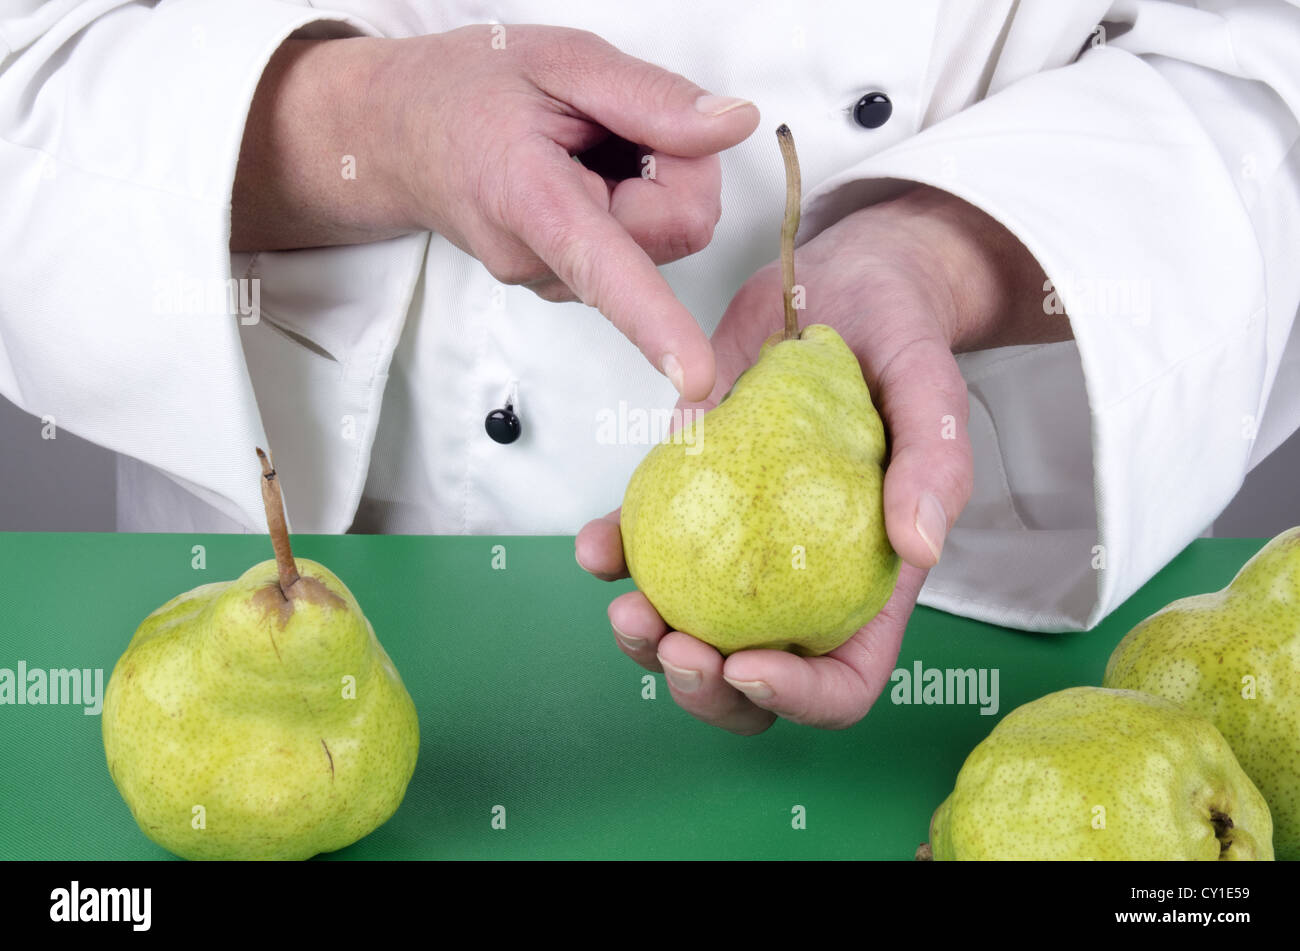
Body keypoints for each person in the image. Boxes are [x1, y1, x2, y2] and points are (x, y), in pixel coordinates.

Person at [3, 2, 1298, 736]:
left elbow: (1264, 71)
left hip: (990, 640)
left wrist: (941, 253)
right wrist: (373, 126)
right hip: (316, 599)